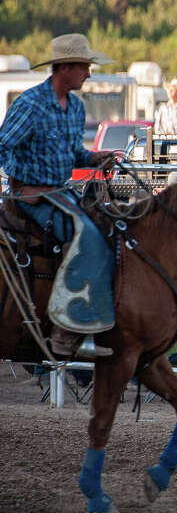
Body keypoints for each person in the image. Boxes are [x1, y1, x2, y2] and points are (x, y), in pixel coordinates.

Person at [0, 33, 124, 358]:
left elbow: (72, 154)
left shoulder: (75, 108)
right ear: (65, 67)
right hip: (30, 198)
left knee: (111, 227)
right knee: (91, 238)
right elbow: (3, 145)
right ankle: (68, 329)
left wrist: (94, 158)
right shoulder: (29, 104)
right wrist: (14, 178)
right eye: (84, 67)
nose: (89, 73)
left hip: (60, 195)